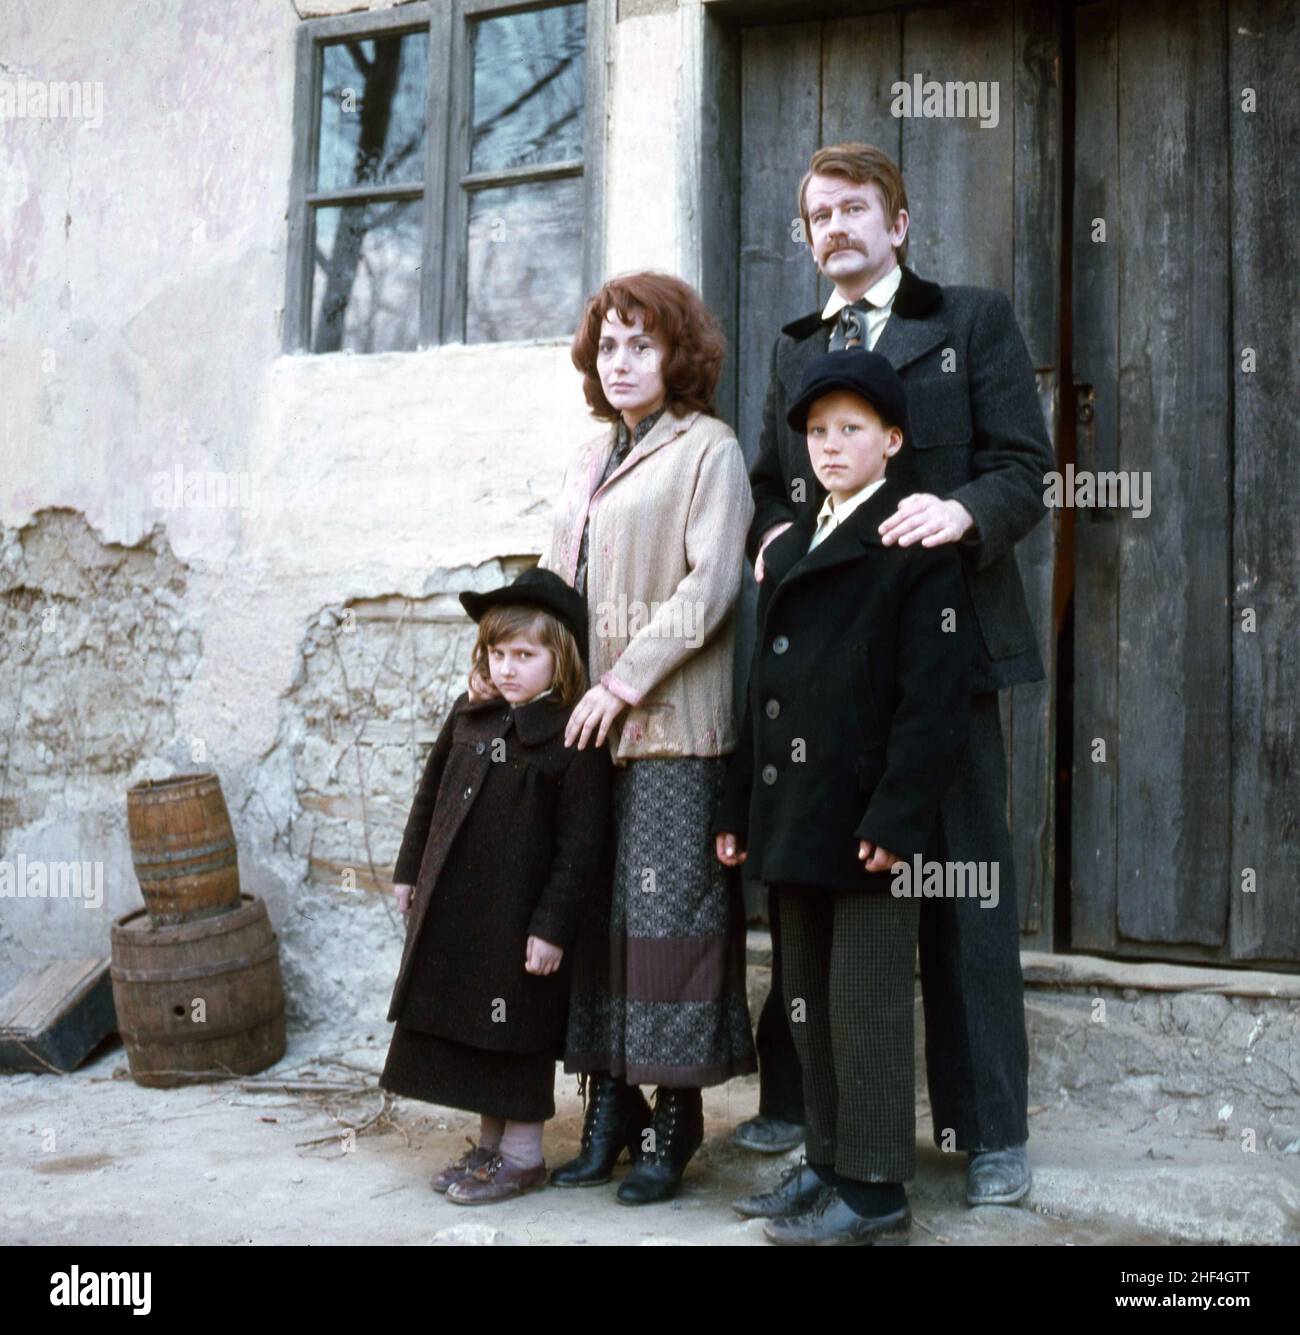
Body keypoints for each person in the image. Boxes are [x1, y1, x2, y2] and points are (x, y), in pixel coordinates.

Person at [737, 141, 1052, 1207]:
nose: (834, 228)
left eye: (855, 209)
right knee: (816, 894)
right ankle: (811, 1122)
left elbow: (1022, 468)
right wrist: (775, 536)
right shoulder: (795, 352)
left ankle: (986, 1131)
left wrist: (963, 513)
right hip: (826, 679)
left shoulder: (968, 321)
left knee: (960, 895)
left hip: (943, 665)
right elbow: (769, 482)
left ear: (899, 223)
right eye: (817, 215)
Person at [714, 347, 973, 1244]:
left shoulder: (911, 544)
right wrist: (736, 807)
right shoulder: (793, 541)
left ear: (892, 440)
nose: (830, 447)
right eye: (817, 432)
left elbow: (934, 700)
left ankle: (874, 1193)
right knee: (806, 1000)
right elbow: (763, 687)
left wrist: (898, 818)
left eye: (851, 430)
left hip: (867, 822)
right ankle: (825, 1162)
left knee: (862, 1003)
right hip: (793, 812)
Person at [533, 270, 757, 1205]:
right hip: (589, 731)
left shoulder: (709, 449)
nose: (621, 362)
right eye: (609, 346)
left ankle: (675, 1118)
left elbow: (709, 592)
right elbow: (554, 582)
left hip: (669, 728)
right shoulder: (588, 460)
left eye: (641, 344)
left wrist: (624, 682)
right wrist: (526, 667)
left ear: (678, 356)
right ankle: (608, 1107)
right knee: (596, 924)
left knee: (665, 927)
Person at [379, 567, 613, 1205]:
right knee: (477, 1031)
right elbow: (428, 799)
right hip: (462, 915)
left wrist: (552, 927)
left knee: (516, 1033)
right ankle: (488, 1149)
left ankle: (522, 1155)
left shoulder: (572, 738)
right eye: (497, 654)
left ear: (557, 657)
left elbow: (581, 847)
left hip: (520, 922)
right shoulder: (472, 717)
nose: (508, 668)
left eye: (524, 655)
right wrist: (409, 873)